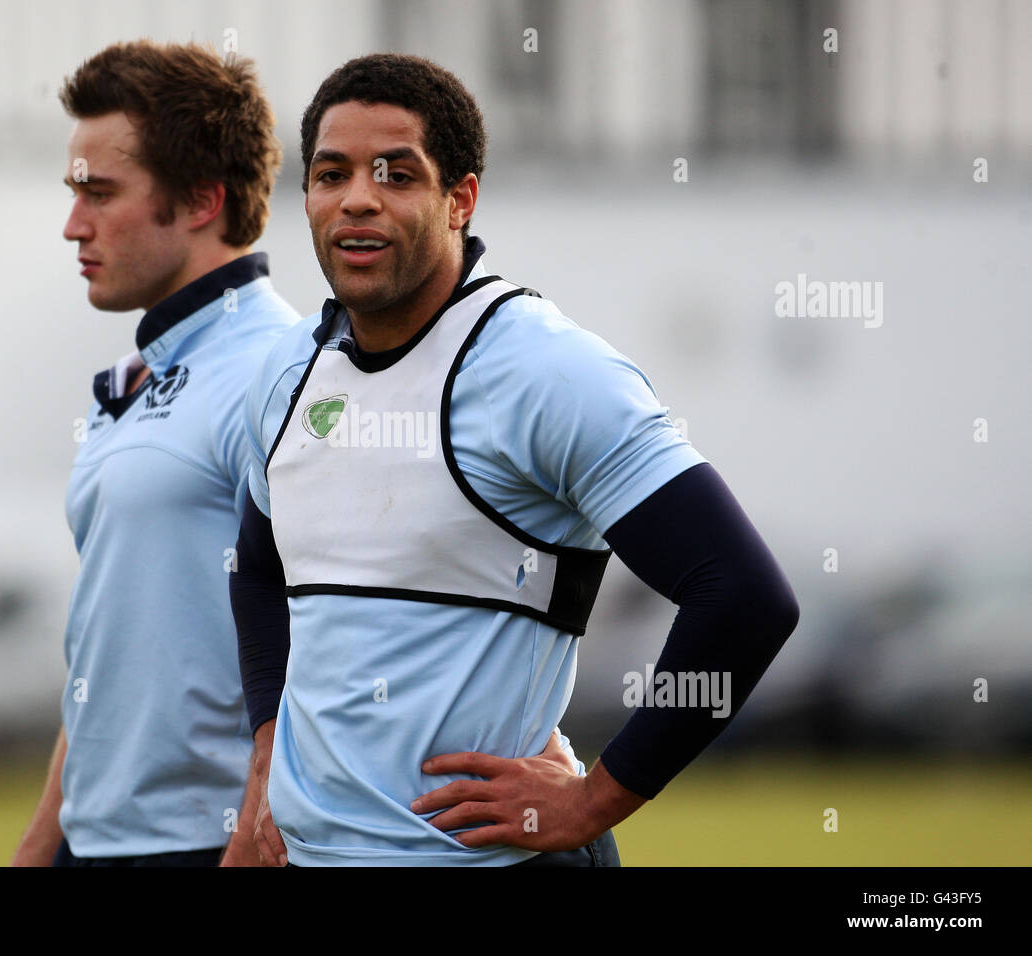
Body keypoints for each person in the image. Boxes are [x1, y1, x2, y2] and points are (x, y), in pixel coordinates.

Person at [229, 53, 800, 866]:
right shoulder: (286, 375)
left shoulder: (546, 372)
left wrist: (593, 800)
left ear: (460, 198)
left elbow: (743, 597)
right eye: (332, 173)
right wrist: (268, 758)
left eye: (397, 173)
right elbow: (255, 568)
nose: (357, 197)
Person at [10, 40, 298, 867]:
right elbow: (115, 648)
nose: (73, 224)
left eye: (100, 194)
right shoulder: (128, 384)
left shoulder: (281, 371)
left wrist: (251, 834)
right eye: (74, 192)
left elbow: (329, 636)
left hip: (202, 848)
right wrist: (41, 846)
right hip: (94, 846)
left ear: (203, 199)